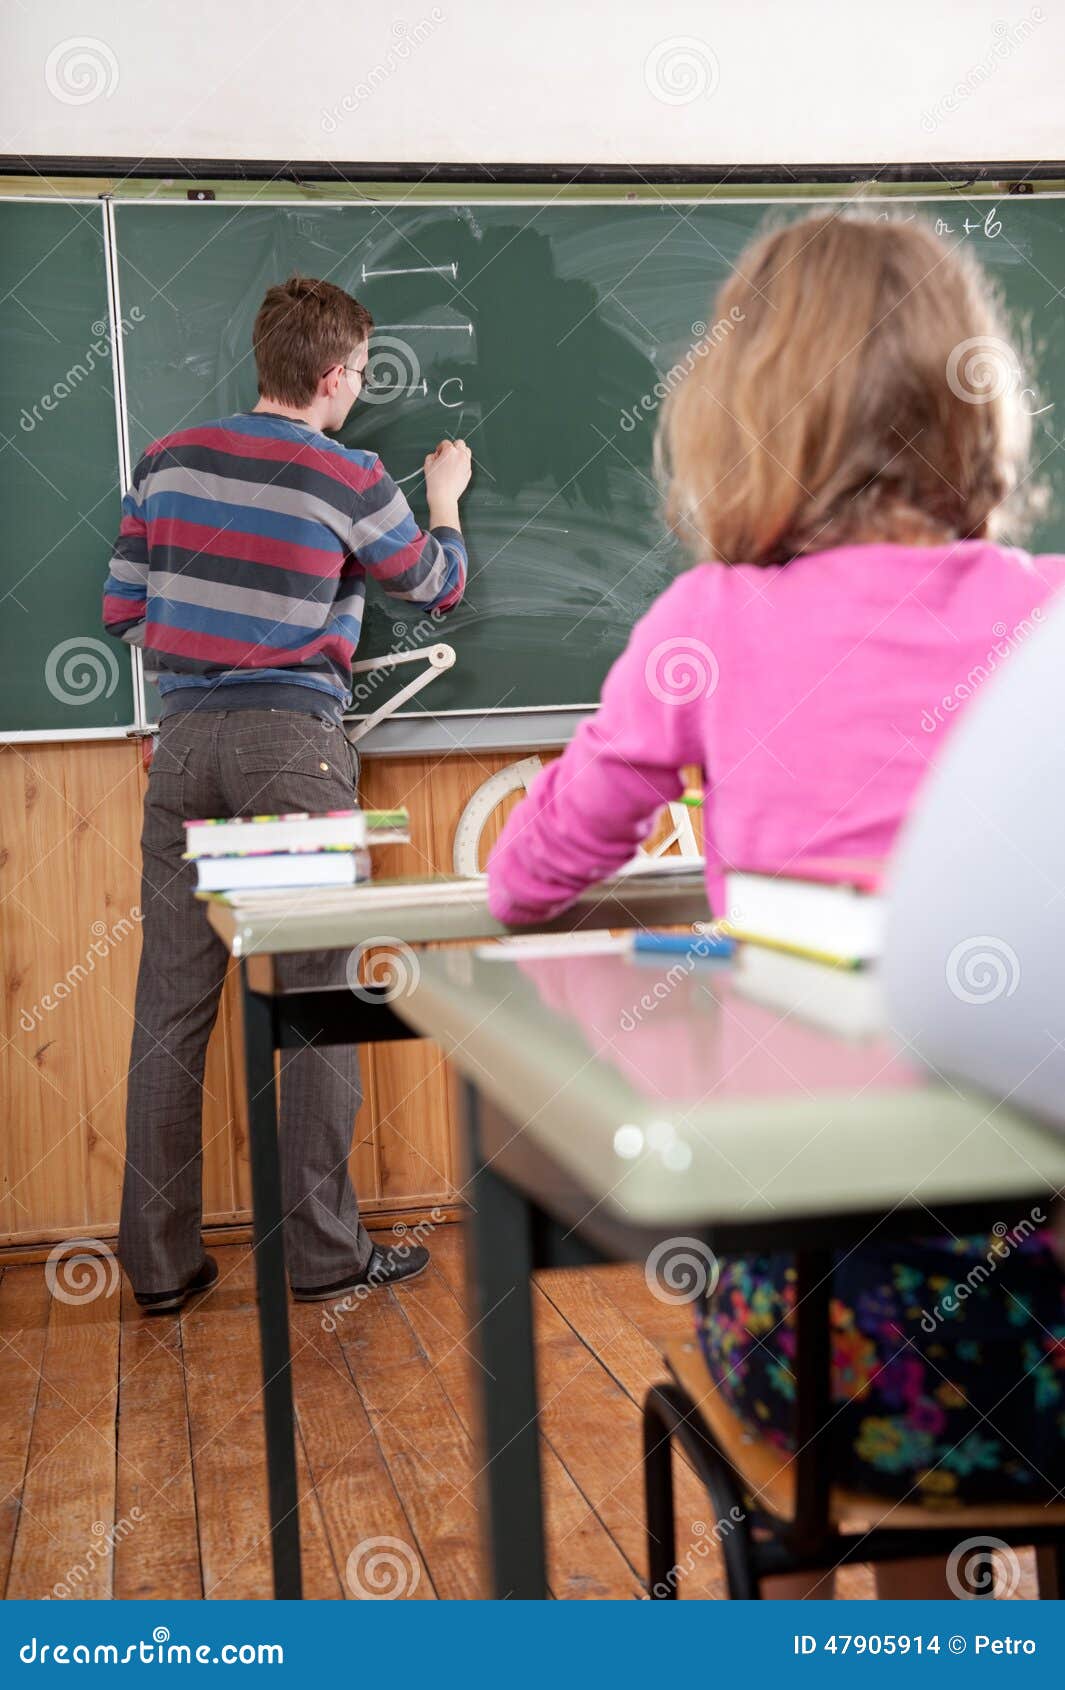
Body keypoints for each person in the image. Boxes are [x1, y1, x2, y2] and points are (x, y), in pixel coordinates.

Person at [486, 211, 1065, 1596]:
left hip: (824, 1329)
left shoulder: (710, 623)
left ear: (741, 415)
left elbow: (528, 878)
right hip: (1048, 1305)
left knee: (821, 1414)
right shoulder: (1047, 612)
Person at [103, 274, 472, 1314]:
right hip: (288, 756)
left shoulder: (169, 462)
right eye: (358, 371)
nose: (359, 389)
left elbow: (119, 607)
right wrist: (443, 500)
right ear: (327, 373)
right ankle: (320, 1255)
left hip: (181, 751)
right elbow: (434, 584)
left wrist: (206, 651)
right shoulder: (348, 473)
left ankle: (161, 1267)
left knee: (172, 1009)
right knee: (313, 997)